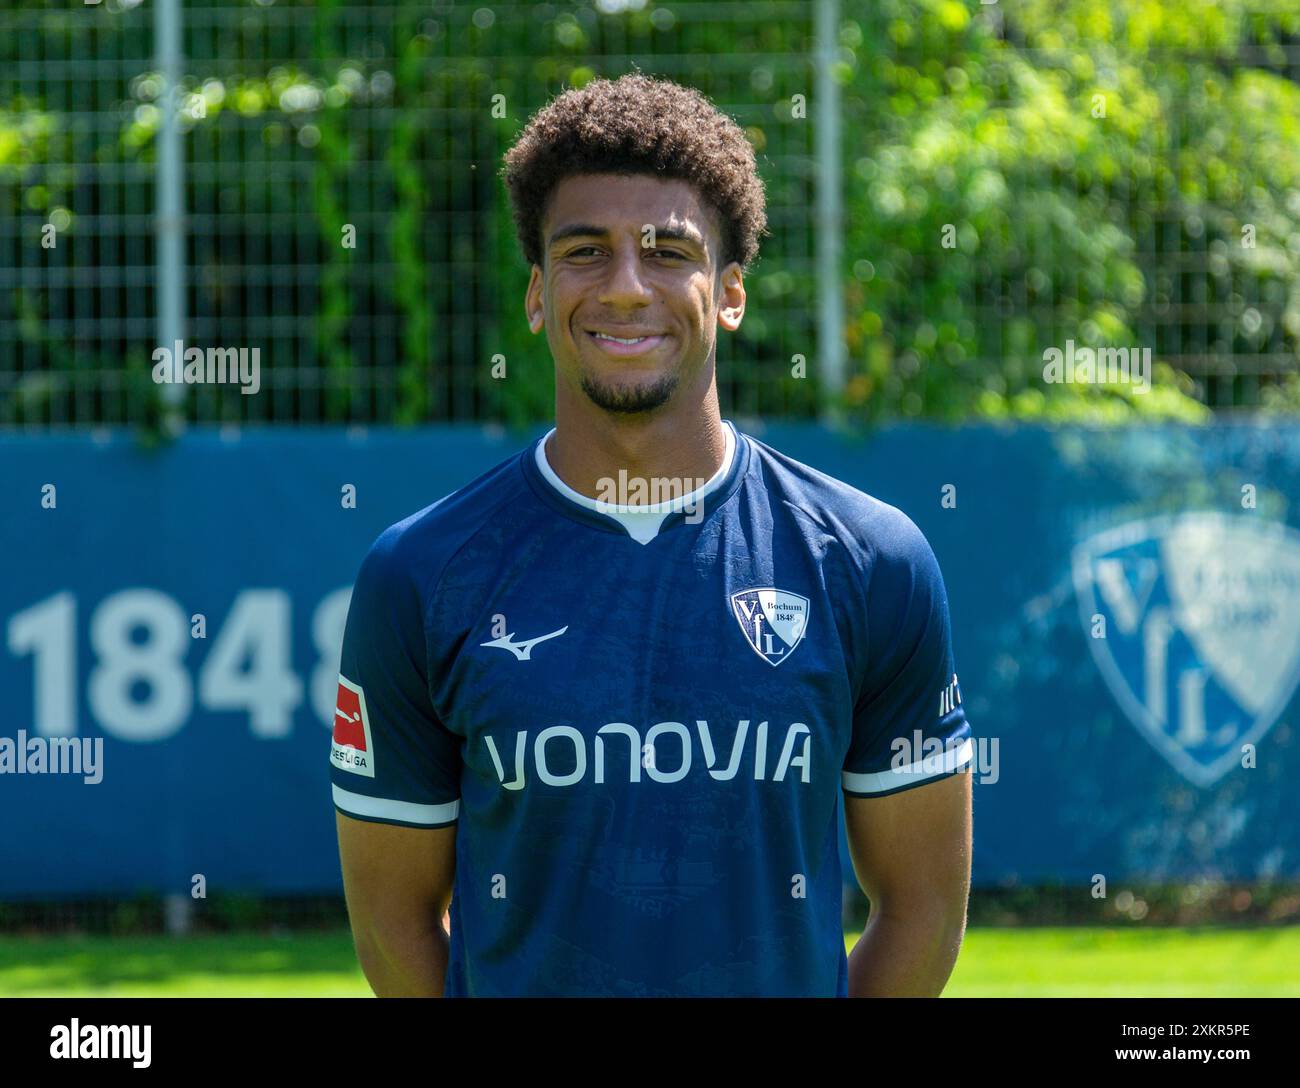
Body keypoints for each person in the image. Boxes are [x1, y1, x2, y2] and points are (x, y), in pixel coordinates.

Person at [332, 73, 972, 997]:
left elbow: (920, 912)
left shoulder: (873, 563)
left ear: (729, 295)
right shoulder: (420, 573)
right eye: (585, 252)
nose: (627, 288)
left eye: (669, 252)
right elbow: (394, 925)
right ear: (537, 296)